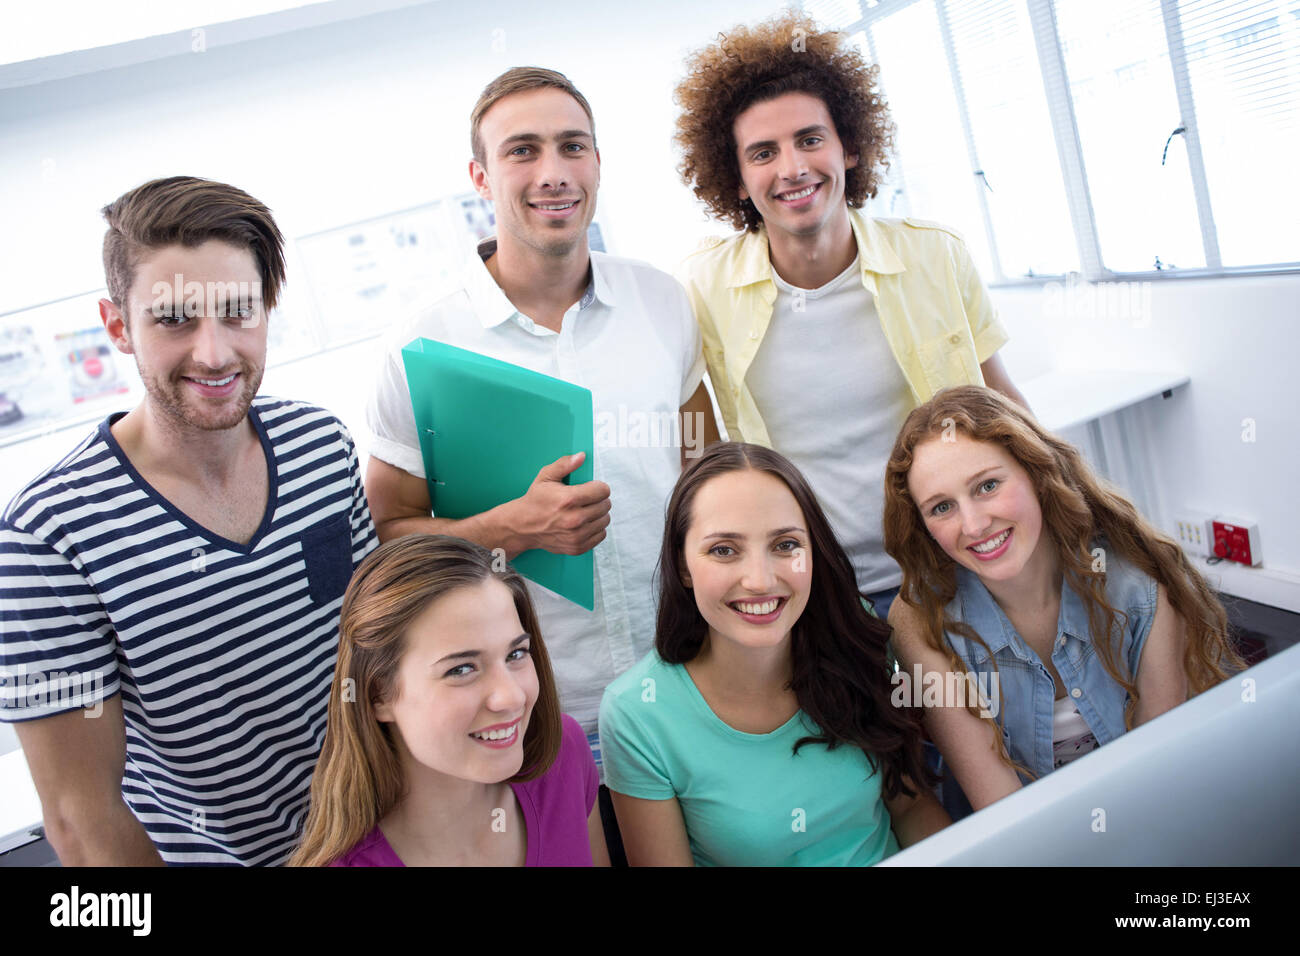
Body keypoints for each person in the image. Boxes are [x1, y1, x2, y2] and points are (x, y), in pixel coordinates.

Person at [0, 176, 377, 864]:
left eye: (238, 312)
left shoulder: (323, 446)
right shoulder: (45, 538)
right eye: (174, 320)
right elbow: (82, 823)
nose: (213, 353)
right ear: (118, 326)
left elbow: (383, 659)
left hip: (380, 844)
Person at [365, 66, 718, 768]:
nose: (553, 172)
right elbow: (387, 540)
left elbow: (704, 472)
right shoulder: (421, 345)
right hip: (534, 720)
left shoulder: (662, 300)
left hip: (690, 683)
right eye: (522, 150)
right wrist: (507, 531)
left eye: (572, 146)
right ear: (481, 175)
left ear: (597, 162)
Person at [674, 12, 1029, 621]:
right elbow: (697, 455)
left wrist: (1077, 519)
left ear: (851, 147)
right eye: (764, 152)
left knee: (995, 715)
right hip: (815, 593)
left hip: (955, 563)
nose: (792, 168)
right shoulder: (700, 289)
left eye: (810, 139)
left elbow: (1003, 404)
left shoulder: (933, 254)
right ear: (736, 180)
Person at [882, 386, 1245, 820]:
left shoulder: (1140, 583)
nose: (974, 525)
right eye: (942, 507)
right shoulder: (921, 621)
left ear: (1036, 472)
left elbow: (1159, 778)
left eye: (988, 485)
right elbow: (1005, 816)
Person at [599, 442, 947, 866]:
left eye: (785, 545)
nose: (760, 581)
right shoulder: (638, 713)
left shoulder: (853, 631)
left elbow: (911, 808)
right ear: (684, 565)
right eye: (724, 549)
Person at [291, 534, 609, 867]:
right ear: (377, 695)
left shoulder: (565, 754)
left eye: (516, 653)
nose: (511, 696)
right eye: (461, 669)